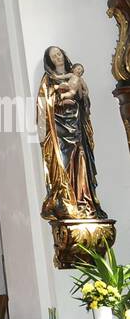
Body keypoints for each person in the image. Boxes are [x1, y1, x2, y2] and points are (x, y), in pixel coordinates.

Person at [37, 46, 106, 221]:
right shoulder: (49, 80)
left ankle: (85, 202)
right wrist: (59, 97)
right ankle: (67, 203)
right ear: (50, 60)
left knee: (81, 159)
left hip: (76, 126)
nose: (58, 57)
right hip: (59, 131)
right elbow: (44, 105)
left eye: (59, 54)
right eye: (54, 56)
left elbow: (84, 99)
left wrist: (81, 96)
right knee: (64, 163)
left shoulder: (74, 75)